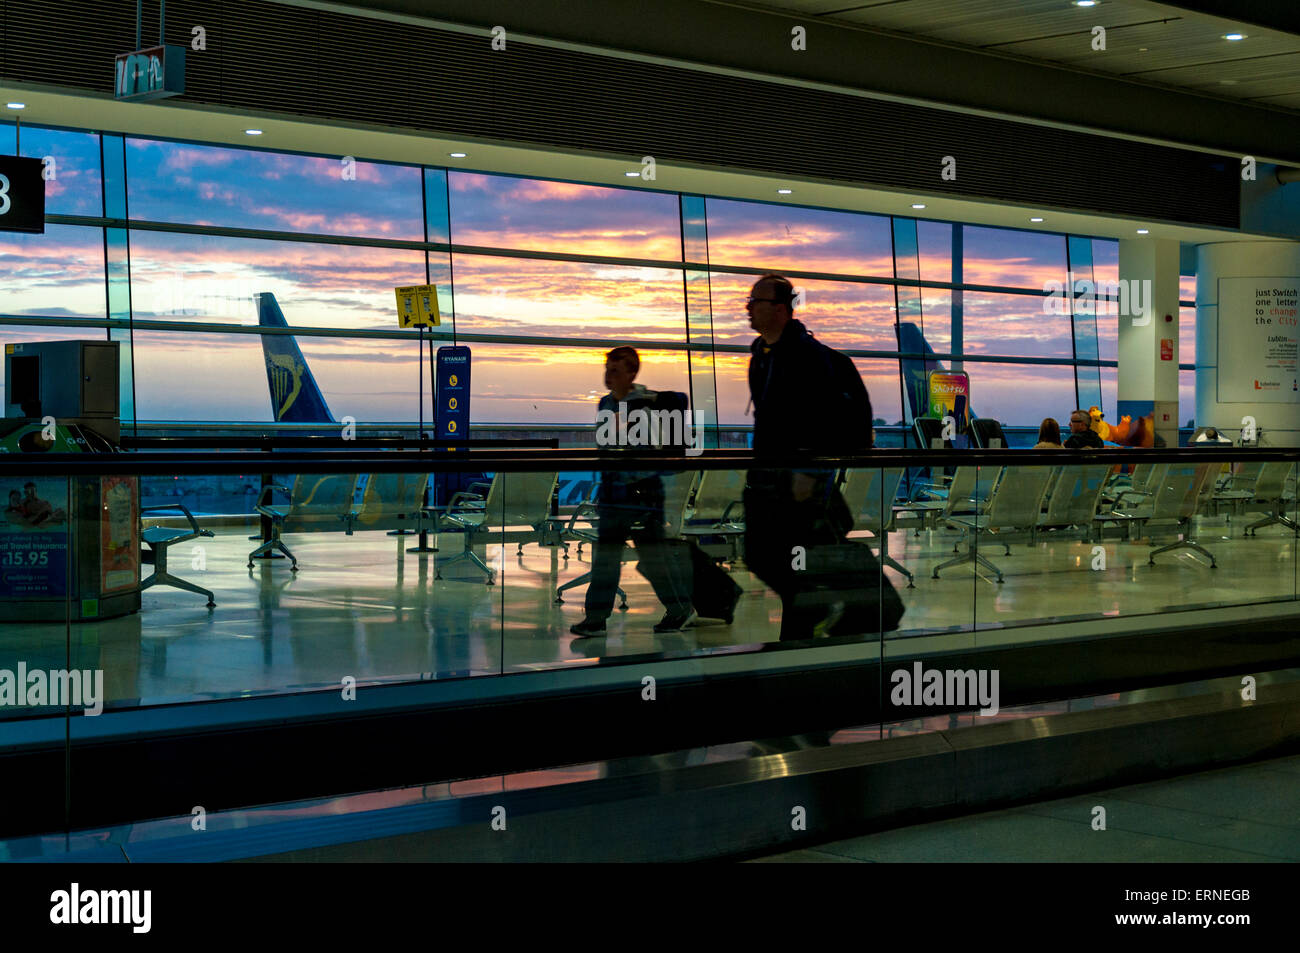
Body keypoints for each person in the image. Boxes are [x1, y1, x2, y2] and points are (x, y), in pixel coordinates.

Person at [742, 273, 894, 641]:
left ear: (780, 309)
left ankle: (799, 646)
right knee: (766, 554)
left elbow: (824, 417)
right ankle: (810, 624)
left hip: (799, 477)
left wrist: (808, 472)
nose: (748, 308)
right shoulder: (761, 355)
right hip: (771, 472)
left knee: (782, 555)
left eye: (755, 302)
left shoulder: (807, 356)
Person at [570, 347, 694, 637]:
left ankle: (679, 608)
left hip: (642, 492)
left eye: (615, 370)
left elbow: (644, 448)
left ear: (632, 373)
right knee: (607, 556)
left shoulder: (645, 404)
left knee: (652, 555)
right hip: (615, 491)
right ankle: (596, 618)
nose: (608, 376)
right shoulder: (604, 403)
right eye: (607, 369)